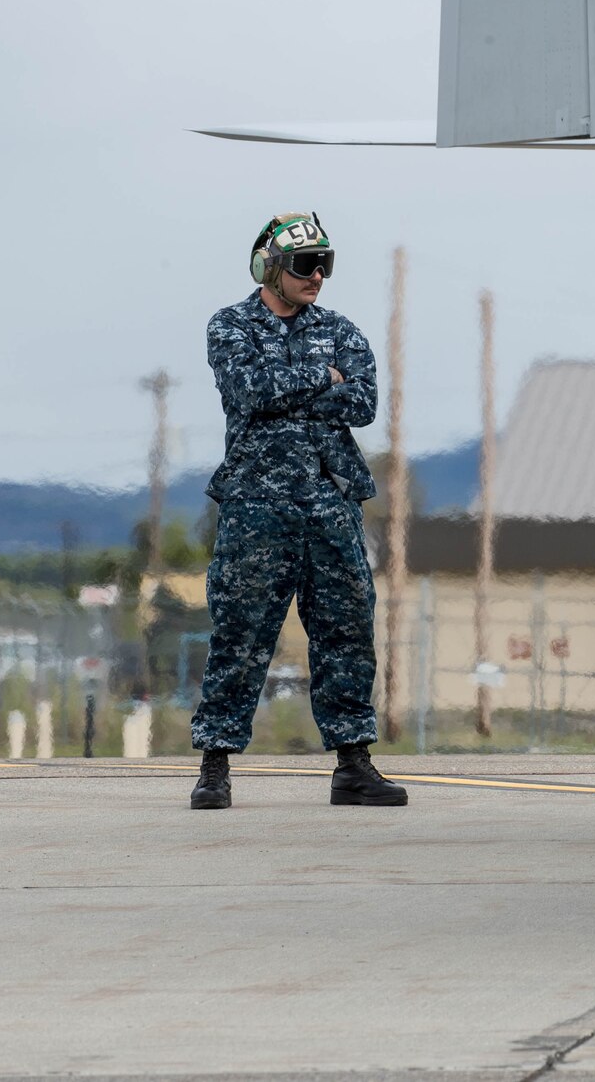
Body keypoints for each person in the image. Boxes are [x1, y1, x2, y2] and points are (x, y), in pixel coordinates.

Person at [187, 213, 407, 809]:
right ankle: (214, 766)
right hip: (254, 506)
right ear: (270, 267)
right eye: (305, 265)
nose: (316, 276)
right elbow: (247, 390)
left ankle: (353, 764)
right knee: (240, 632)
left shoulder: (342, 330)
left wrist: (296, 383)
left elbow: (361, 403)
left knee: (346, 631)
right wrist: (320, 377)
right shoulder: (231, 326)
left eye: (324, 265)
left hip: (330, 504)